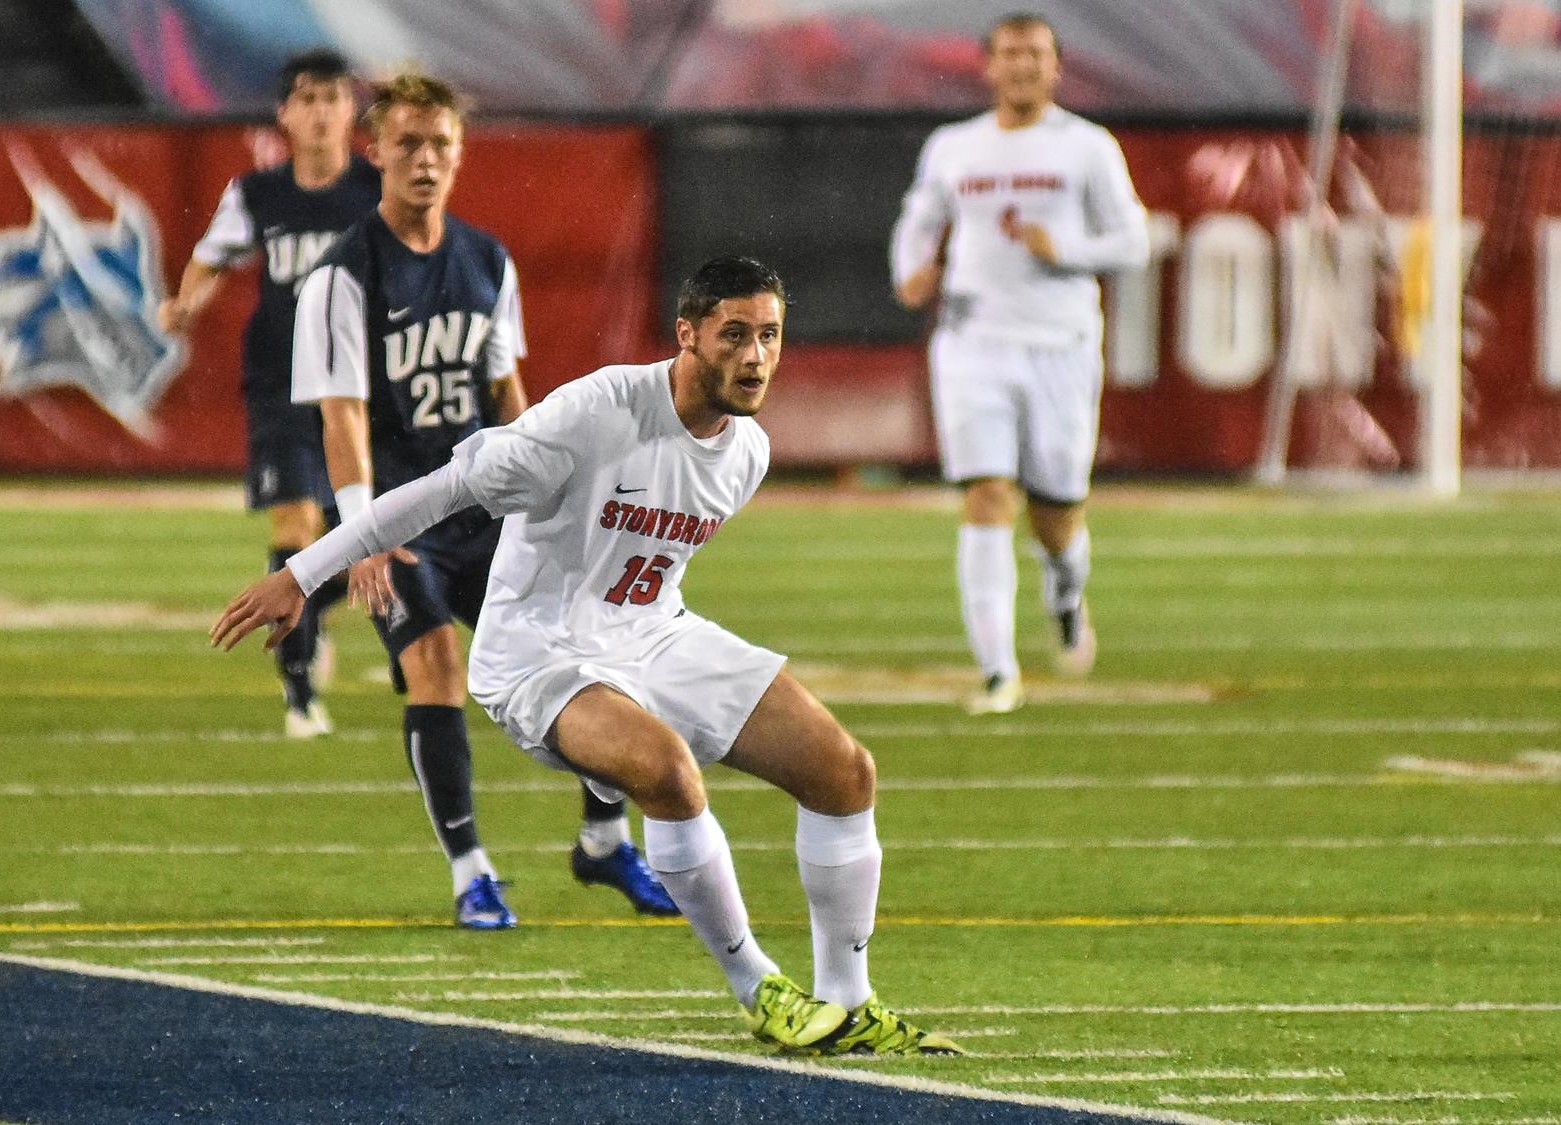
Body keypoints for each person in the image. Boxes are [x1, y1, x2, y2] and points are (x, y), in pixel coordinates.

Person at [214, 255, 961, 1056]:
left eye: (770, 336)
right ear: (688, 336)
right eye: (735, 335)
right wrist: (302, 573)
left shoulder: (749, 452)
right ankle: (760, 988)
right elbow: (438, 492)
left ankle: (847, 1004)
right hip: (540, 653)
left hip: (651, 631)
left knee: (844, 770)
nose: (755, 356)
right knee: (667, 770)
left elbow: (648, 570)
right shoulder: (595, 412)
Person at [288, 71, 676, 929]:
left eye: (442, 145)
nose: (426, 160)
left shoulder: (485, 258)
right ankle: (471, 870)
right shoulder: (344, 272)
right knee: (436, 665)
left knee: (585, 647)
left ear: (460, 155)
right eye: (410, 144)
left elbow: (506, 393)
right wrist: (360, 532)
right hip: (399, 511)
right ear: (376, 150)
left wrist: (557, 488)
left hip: (485, 504)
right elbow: (342, 414)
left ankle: (605, 842)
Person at [890, 12, 1150, 715]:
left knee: (1058, 510)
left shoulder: (1086, 147)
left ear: (1057, 67)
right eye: (1011, 54)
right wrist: (912, 269)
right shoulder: (954, 146)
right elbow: (918, 221)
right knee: (986, 494)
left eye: (1035, 54)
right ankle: (998, 670)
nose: (1023, 66)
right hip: (973, 343)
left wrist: (1063, 247)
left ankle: (1065, 591)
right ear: (989, 66)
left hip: (1060, 344)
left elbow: (1133, 240)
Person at [160, 49, 380, 739]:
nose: (320, 112)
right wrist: (187, 302)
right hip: (283, 384)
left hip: (366, 389)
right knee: (294, 531)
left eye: (332, 98)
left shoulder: (380, 191)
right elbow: (214, 253)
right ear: (283, 114)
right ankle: (300, 690)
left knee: (379, 535)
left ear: (352, 110)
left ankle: (311, 606)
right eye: (306, 99)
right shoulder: (258, 194)